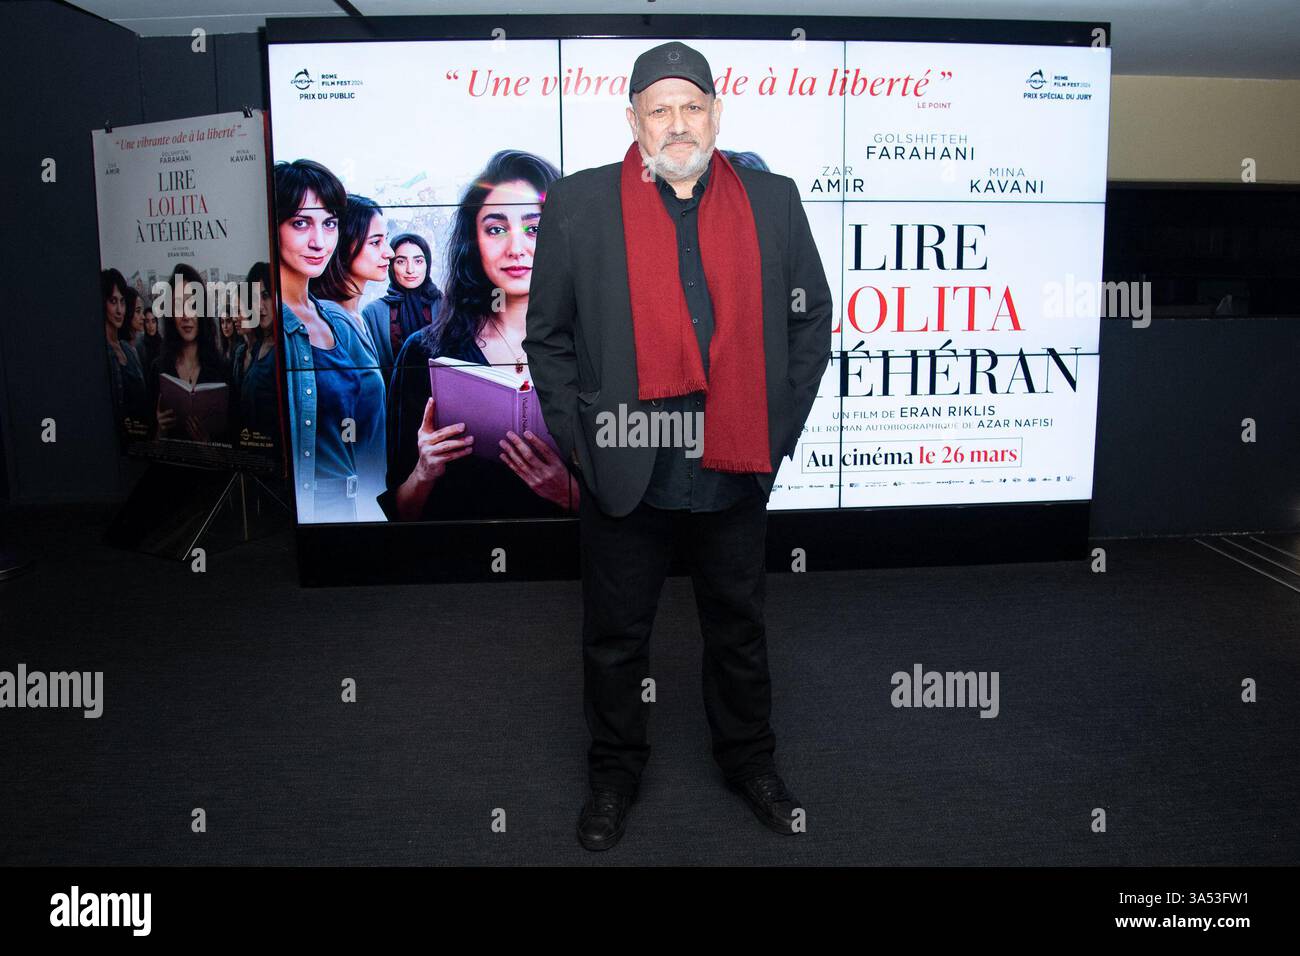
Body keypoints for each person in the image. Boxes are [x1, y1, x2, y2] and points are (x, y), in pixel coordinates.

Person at [523, 41, 833, 850]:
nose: (676, 122)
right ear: (633, 120)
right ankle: (615, 774)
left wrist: (778, 428)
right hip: (627, 464)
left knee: (738, 624)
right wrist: (580, 446)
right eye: (658, 108)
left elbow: (809, 321)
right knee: (616, 634)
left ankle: (748, 761)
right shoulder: (581, 204)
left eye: (691, 106)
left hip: (733, 463)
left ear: (717, 114)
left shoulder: (772, 200)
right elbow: (548, 337)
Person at [381, 149, 575, 522]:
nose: (516, 248)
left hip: (567, 568)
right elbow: (400, 514)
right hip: (457, 570)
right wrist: (424, 471)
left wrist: (571, 493)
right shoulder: (423, 352)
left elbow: (634, 511)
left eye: (535, 228)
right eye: (496, 228)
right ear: (474, 241)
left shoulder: (596, 348)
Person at [275, 159, 387, 523]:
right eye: (300, 223)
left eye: (329, 223)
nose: (318, 241)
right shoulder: (266, 325)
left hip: (361, 509)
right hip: (301, 516)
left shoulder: (339, 320)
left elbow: (372, 436)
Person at [148, 263, 233, 444]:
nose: (186, 315)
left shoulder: (222, 369)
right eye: (178, 305)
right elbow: (149, 450)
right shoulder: (158, 369)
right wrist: (160, 430)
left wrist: (208, 445)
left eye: (193, 305)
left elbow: (233, 440)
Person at [310, 193, 391, 365]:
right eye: (375, 242)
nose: (389, 253)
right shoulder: (331, 321)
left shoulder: (355, 316)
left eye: (387, 239)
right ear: (343, 245)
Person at [361, 233, 441, 387]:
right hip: (392, 405)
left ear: (427, 264)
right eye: (401, 261)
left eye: (418, 261)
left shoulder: (446, 306)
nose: (410, 270)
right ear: (391, 265)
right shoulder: (373, 313)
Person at [231, 262, 280, 450]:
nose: (259, 306)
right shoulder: (257, 346)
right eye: (254, 298)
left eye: (266, 295)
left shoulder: (284, 348)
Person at [102, 269, 149, 438]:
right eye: (113, 301)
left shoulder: (128, 350)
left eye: (122, 302)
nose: (119, 310)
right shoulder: (101, 352)